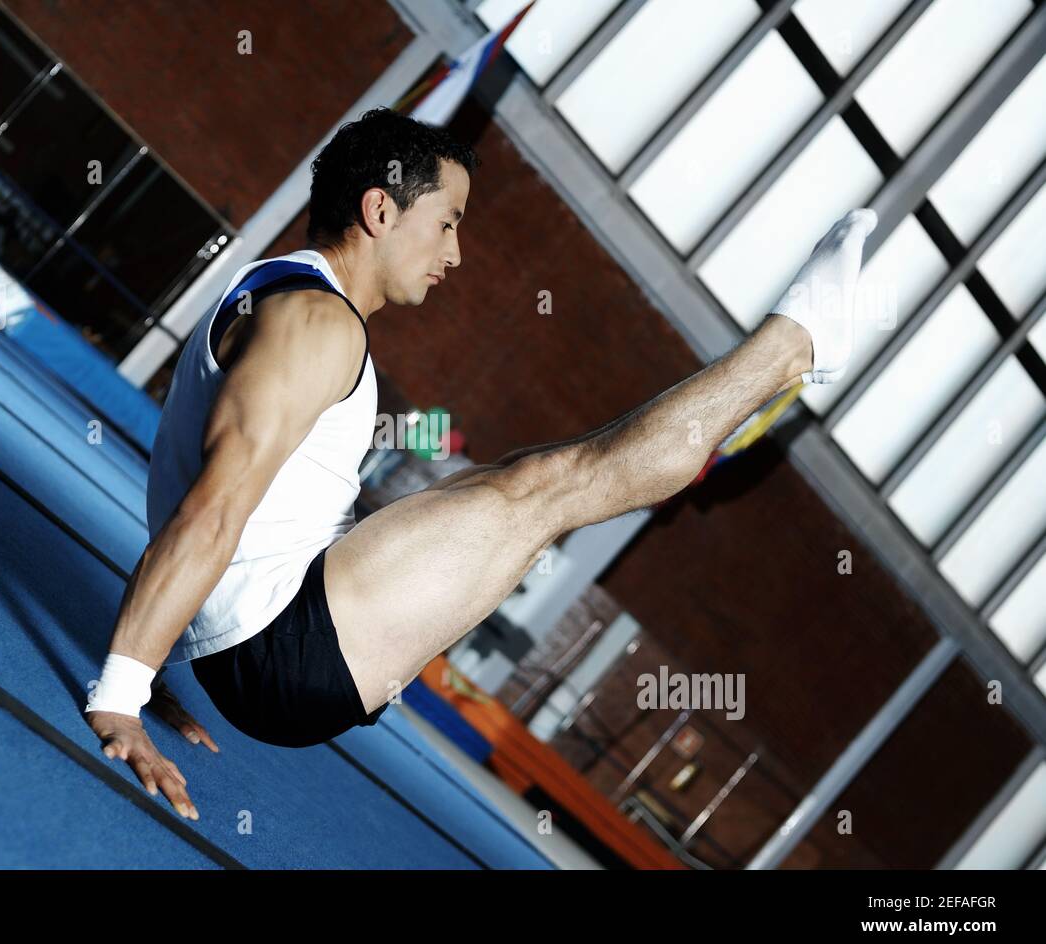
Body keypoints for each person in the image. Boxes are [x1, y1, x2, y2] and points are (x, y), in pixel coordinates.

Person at [82, 106, 877, 821]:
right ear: (380, 209)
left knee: (514, 477)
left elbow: (213, 499)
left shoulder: (279, 290)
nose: (456, 254)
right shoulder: (317, 328)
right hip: (285, 655)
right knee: (550, 487)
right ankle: (796, 345)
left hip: (265, 639)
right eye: (447, 224)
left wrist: (166, 659)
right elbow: (211, 510)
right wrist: (123, 690)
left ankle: (796, 347)